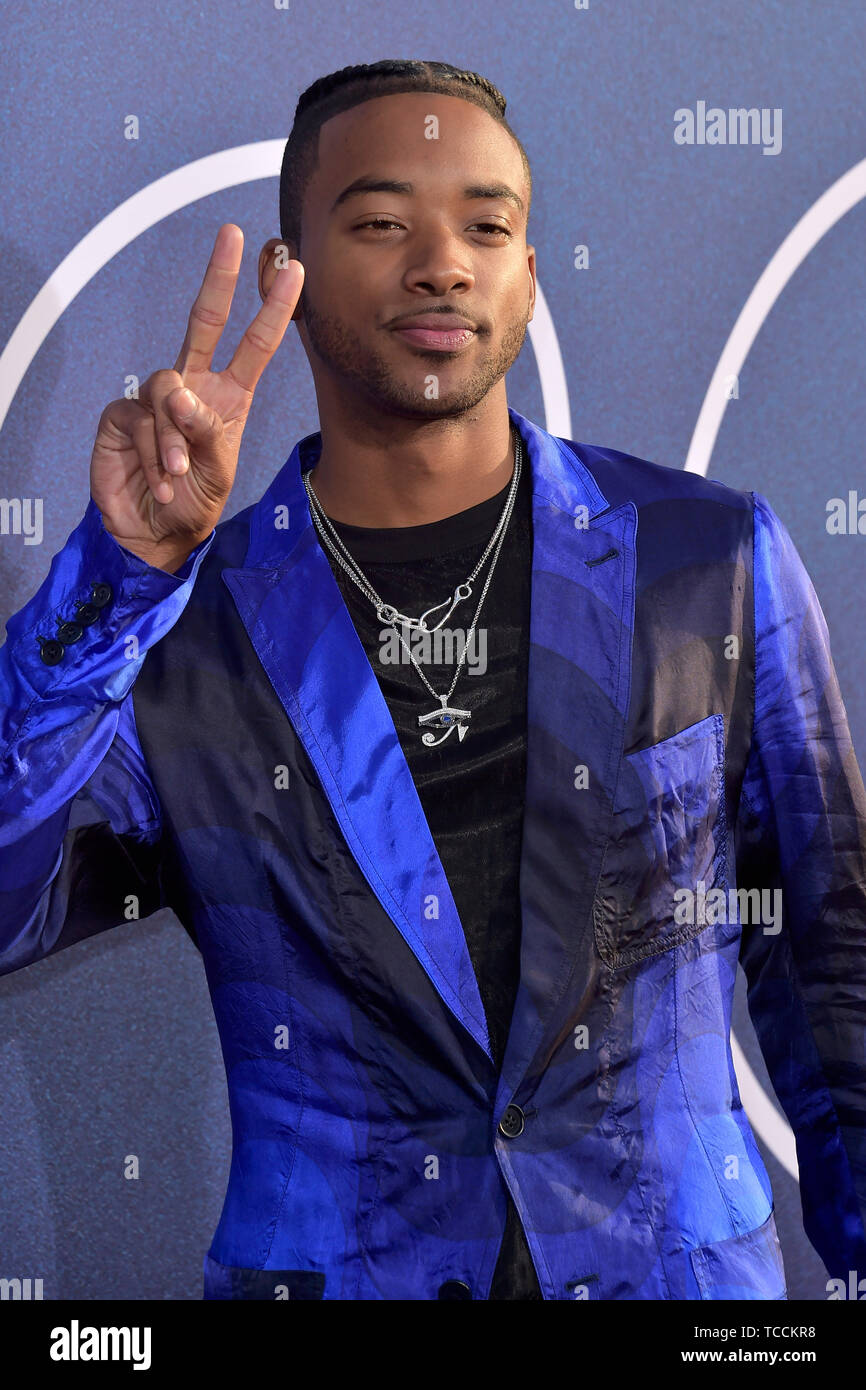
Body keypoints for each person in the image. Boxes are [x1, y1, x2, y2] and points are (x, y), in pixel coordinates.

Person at [1, 57, 865, 1302]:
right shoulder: (179, 636)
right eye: (380, 221)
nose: (441, 262)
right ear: (287, 278)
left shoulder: (708, 559)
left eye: (485, 225)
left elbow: (830, 948)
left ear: (525, 271)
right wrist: (118, 581)